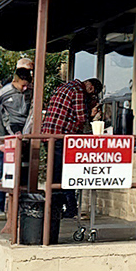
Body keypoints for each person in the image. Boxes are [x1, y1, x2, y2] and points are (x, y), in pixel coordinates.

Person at [42, 77, 103, 218]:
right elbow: (81, 117)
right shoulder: (78, 91)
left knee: (54, 173)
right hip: (61, 135)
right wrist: (92, 115)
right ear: (91, 88)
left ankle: (56, 207)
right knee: (66, 173)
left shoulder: (63, 87)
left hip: (48, 134)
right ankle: (63, 208)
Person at [0, 67, 33, 217]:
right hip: (6, 132)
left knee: (24, 169)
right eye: (22, 85)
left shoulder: (30, 92)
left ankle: (21, 205)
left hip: (24, 132)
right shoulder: (3, 93)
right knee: (2, 171)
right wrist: (2, 138)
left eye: (27, 86)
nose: (24, 89)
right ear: (14, 81)